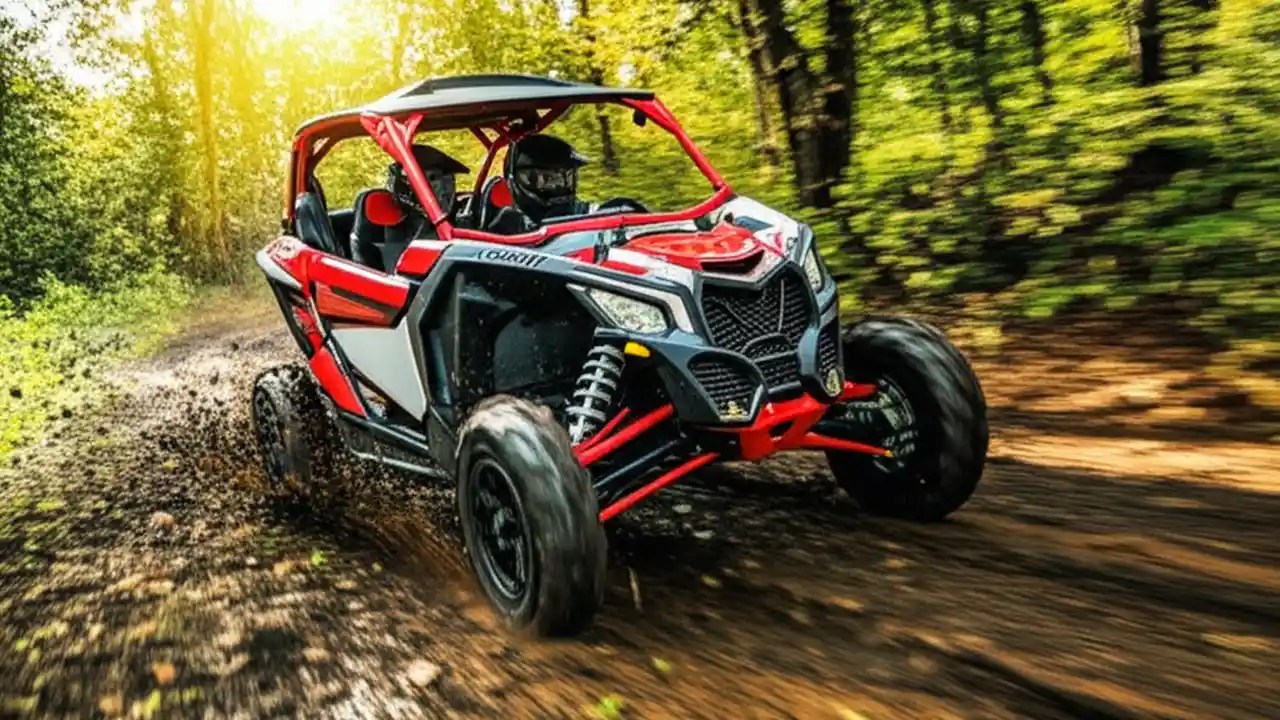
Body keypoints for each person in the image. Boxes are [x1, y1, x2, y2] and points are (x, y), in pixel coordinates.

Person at [353, 144, 468, 271]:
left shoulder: (454, 220)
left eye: (449, 179)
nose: (446, 188)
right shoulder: (393, 228)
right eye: (433, 179)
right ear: (407, 184)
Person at [487, 134, 590, 233]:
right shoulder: (507, 228)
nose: (559, 185)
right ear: (524, 179)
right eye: (549, 179)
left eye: (568, 178)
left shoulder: (584, 214)